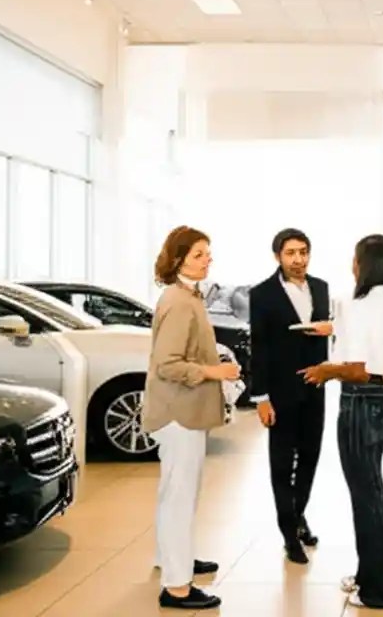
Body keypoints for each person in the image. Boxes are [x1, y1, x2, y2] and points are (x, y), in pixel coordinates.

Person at [300, 234, 383, 610]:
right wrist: (335, 330)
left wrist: (325, 370)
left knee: (367, 499)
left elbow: (358, 369)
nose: (351, 264)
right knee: (370, 495)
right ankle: (369, 576)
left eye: (355, 258)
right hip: (381, 401)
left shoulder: (362, 303)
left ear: (365, 264)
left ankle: (380, 592)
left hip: (361, 401)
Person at [142, 226, 241, 611]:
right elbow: (168, 364)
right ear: (179, 258)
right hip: (178, 412)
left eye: (208, 253)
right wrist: (217, 372)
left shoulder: (185, 295)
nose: (208, 259)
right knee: (180, 497)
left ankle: (172, 557)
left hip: (180, 411)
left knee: (174, 492)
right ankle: (177, 586)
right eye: (200, 254)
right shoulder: (180, 301)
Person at [247, 228, 333, 564]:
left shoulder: (322, 288)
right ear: (278, 257)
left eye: (303, 252)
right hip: (280, 393)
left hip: (315, 388)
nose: (298, 259)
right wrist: (261, 397)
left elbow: (326, 335)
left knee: (310, 458)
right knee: (282, 464)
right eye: (291, 253)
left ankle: (298, 514)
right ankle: (288, 534)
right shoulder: (263, 294)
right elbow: (259, 348)